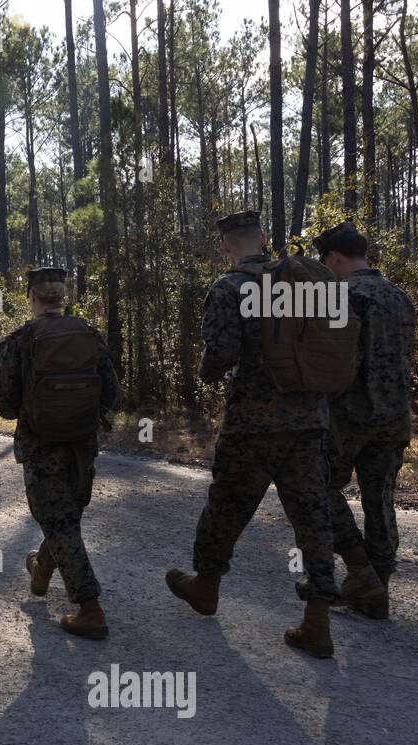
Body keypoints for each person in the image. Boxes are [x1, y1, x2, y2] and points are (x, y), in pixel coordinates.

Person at [164, 211, 339, 658]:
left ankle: (206, 586)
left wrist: (206, 371)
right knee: (313, 518)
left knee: (226, 507)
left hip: (252, 427)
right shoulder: (304, 284)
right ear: (264, 237)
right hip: (310, 421)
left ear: (224, 245)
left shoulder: (229, 289)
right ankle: (317, 620)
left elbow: (218, 358)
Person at [0, 266, 118, 638]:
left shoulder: (21, 341)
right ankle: (41, 569)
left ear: (32, 297)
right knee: (64, 517)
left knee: (58, 521)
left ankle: (90, 608)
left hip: (41, 446)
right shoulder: (89, 336)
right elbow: (111, 391)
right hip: (82, 445)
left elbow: (3, 403)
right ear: (64, 296)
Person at [302, 221, 416, 618]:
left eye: (325, 260)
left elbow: (334, 362)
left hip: (349, 416)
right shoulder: (399, 296)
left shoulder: (342, 296)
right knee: (380, 499)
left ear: (334, 257)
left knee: (318, 488)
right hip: (395, 414)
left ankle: (360, 573)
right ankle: (377, 589)